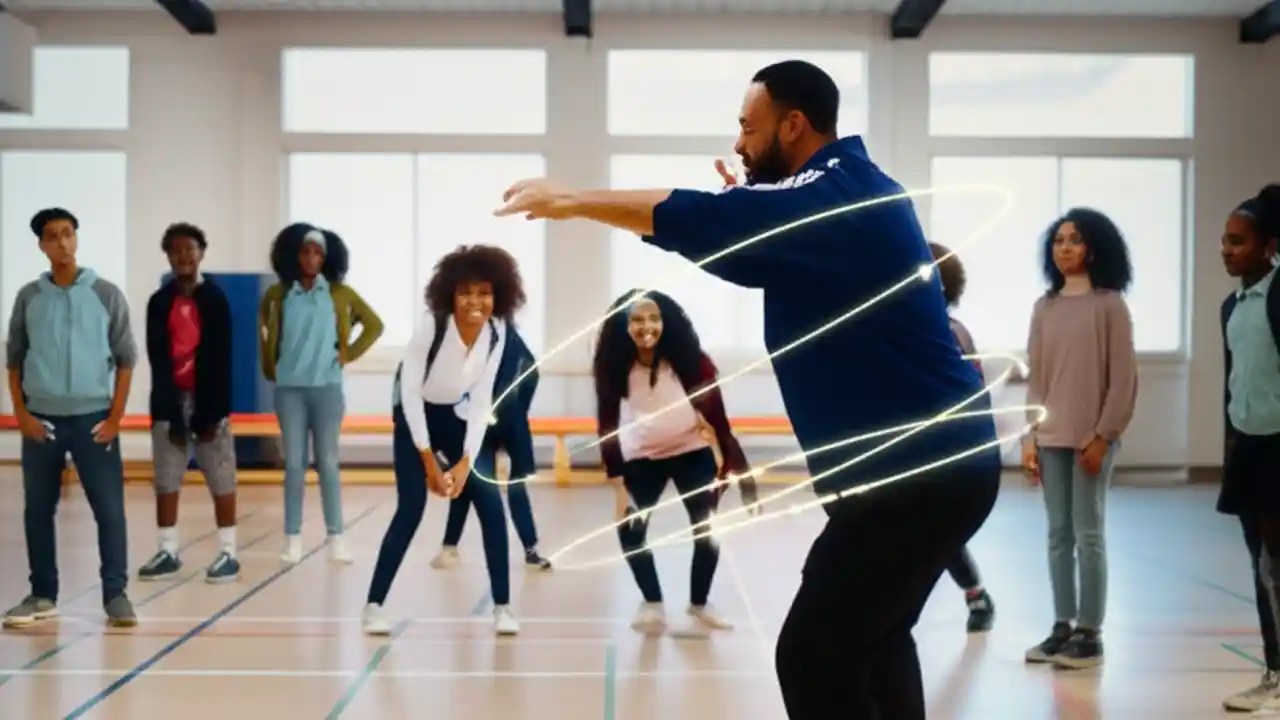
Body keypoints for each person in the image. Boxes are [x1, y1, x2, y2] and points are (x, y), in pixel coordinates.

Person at [496, 59, 1000, 719]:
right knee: (874, 641)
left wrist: (574, 201)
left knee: (813, 657)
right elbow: (742, 246)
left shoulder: (837, 194)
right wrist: (754, 206)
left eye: (748, 127)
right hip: (930, 468)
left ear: (793, 126)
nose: (738, 142)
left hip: (914, 473)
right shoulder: (846, 192)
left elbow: (712, 222)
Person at [363, 245, 539, 637]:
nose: (475, 302)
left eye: (484, 293)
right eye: (466, 293)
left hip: (458, 419)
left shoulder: (498, 331)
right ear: (450, 295)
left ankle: (503, 607)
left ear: (498, 295)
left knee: (490, 504)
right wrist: (429, 462)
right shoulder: (433, 326)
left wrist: (464, 462)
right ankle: (373, 605)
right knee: (411, 509)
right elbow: (410, 394)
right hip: (415, 419)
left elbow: (482, 401)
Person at [3, 207, 139, 629]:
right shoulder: (29, 297)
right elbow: (14, 359)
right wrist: (21, 414)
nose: (62, 242)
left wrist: (115, 419)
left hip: (93, 420)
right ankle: (43, 594)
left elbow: (126, 359)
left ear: (76, 238)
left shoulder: (105, 294)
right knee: (38, 512)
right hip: (41, 422)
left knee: (109, 510)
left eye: (68, 233)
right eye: (53, 236)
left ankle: (115, 593)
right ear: (42, 246)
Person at [593, 289, 756, 637]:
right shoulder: (614, 367)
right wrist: (618, 483)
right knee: (630, 532)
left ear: (666, 322)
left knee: (706, 528)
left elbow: (720, 420)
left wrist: (743, 474)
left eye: (654, 318)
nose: (646, 326)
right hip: (642, 457)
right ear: (624, 327)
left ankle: (699, 603)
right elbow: (606, 425)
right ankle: (652, 602)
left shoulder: (692, 363)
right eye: (637, 320)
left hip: (691, 452)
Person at [1020, 208, 1137, 670]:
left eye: (1075, 239)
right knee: (1058, 534)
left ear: (1093, 248)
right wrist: (1030, 436)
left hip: (1091, 439)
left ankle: (1091, 632)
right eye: (1058, 240)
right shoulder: (1044, 307)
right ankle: (1062, 625)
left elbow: (1123, 380)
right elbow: (1037, 378)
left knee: (1089, 534)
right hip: (1051, 438)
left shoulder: (1110, 306)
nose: (1065, 247)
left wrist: (1103, 436)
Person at [259, 223, 384, 564]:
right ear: (293, 255)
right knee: (294, 464)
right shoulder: (279, 295)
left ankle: (336, 536)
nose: (311, 258)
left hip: (326, 388)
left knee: (327, 462)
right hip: (289, 389)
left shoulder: (339, 294)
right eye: (305, 252)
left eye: (318, 253)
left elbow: (374, 325)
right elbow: (266, 331)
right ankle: (293, 537)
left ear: (327, 258)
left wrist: (347, 354)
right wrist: (272, 366)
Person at [138, 223, 240, 584]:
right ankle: (168, 550)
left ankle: (228, 551)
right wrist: (168, 410)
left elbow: (221, 357)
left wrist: (213, 413)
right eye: (176, 250)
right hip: (170, 399)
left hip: (208, 399)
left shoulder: (214, 298)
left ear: (201, 253)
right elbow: (157, 357)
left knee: (221, 474)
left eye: (190, 248)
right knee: (166, 476)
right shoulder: (159, 302)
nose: (183, 255)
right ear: (168, 256)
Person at [1215, 185, 1280, 713]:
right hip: (1249, 451)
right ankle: (1273, 671)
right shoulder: (1230, 307)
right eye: (1225, 240)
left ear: (1269, 246)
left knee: (1275, 565)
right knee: (1260, 563)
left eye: (1238, 241)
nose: (1227, 249)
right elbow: (1233, 385)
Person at [928, 242, 996, 633]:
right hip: (915, 448)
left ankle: (975, 594)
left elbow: (973, 391)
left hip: (953, 448)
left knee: (941, 531)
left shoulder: (953, 333)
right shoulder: (905, 329)